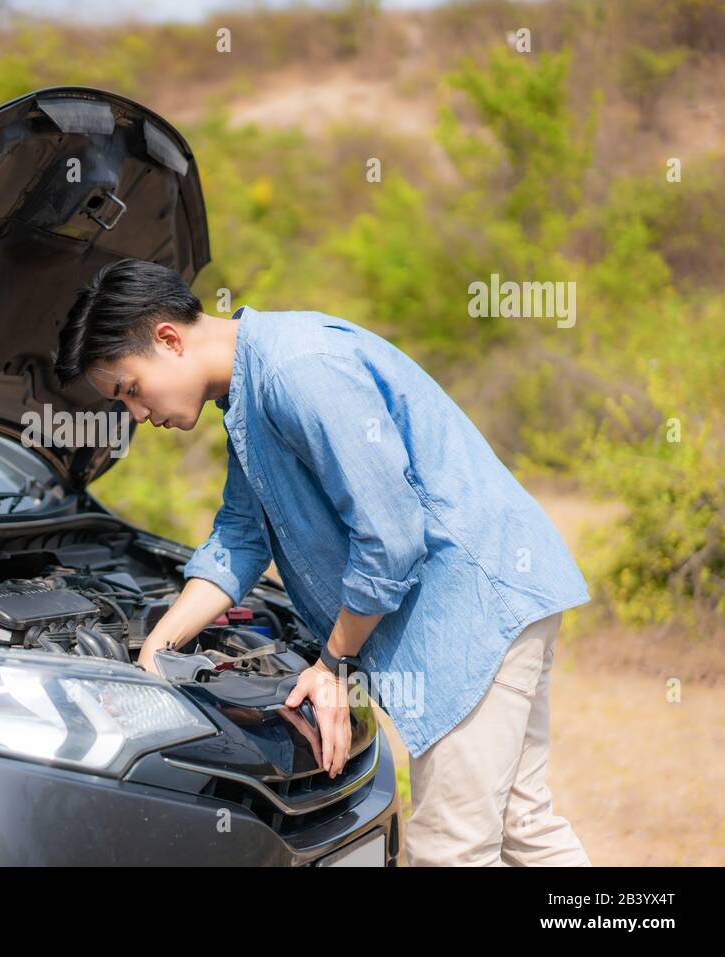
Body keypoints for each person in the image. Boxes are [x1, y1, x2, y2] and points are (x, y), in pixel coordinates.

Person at [54, 258, 593, 867]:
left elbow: (390, 534)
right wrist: (158, 647)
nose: (135, 415)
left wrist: (331, 663)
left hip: (474, 614)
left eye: (128, 389)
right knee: (524, 824)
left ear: (168, 339)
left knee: (452, 850)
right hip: (497, 603)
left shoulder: (296, 370)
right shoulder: (246, 395)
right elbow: (240, 535)